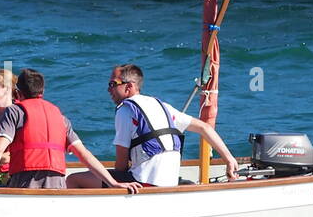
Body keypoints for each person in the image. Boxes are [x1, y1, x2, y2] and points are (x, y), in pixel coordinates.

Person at [0, 69, 139, 194]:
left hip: (25, 182)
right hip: (57, 185)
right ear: (42, 91)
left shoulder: (15, 111)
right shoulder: (60, 117)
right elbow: (84, 154)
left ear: (18, 92)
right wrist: (113, 183)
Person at [67, 64, 240, 189]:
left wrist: (117, 184)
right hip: (169, 183)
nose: (108, 89)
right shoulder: (163, 106)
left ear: (129, 87)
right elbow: (205, 128)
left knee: (74, 180)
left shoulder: (126, 111)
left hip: (144, 183)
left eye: (113, 84)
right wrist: (229, 159)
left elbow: (120, 163)